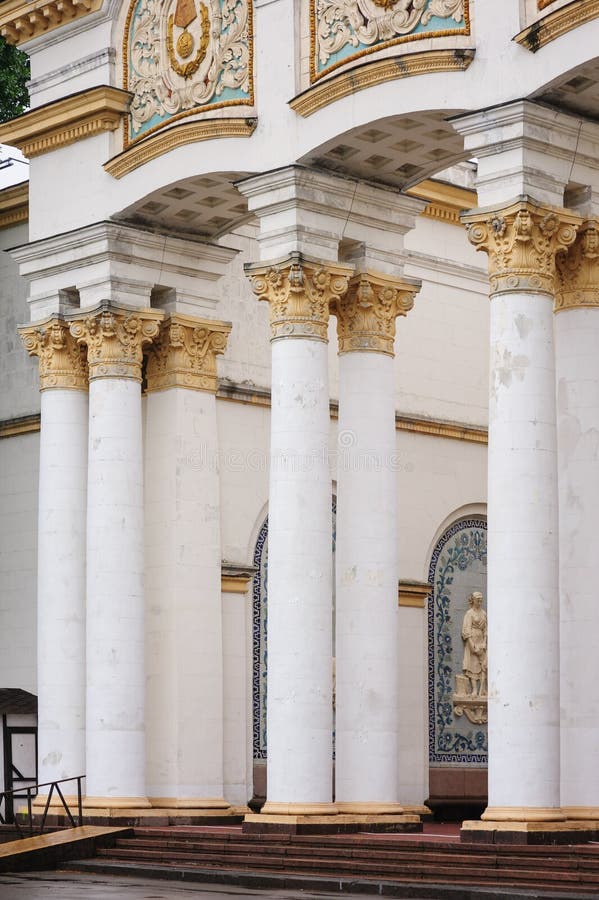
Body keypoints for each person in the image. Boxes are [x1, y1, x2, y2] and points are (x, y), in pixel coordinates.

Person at [461, 591, 487, 697]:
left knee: (483, 665)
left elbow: (486, 629)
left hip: (481, 640)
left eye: (481, 600)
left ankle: (483, 689)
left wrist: (484, 642)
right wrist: (472, 644)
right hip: (472, 640)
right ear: (473, 600)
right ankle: (475, 690)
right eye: (478, 600)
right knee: (473, 665)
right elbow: (466, 629)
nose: (480, 602)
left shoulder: (484, 613)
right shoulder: (469, 613)